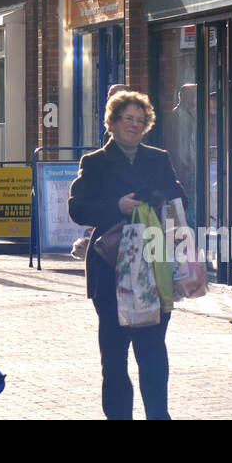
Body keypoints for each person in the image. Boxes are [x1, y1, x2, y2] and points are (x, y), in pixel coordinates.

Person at [68, 90, 187, 420]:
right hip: (111, 269)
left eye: (140, 120)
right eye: (127, 119)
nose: (134, 125)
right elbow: (77, 208)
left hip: (153, 267)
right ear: (113, 123)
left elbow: (181, 198)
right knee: (115, 357)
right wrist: (115, 206)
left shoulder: (158, 158)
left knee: (152, 353)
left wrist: (156, 198)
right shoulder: (94, 162)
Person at [162, 84, 197, 222]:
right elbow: (182, 148)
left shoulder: (186, 115)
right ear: (187, 97)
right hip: (183, 170)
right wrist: (188, 168)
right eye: (194, 94)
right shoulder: (181, 117)